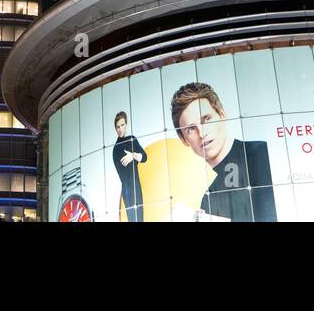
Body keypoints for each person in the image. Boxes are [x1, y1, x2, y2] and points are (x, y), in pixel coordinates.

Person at [170, 82, 277, 222]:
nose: (201, 133)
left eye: (206, 120)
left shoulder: (260, 153)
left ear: (222, 115)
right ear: (184, 140)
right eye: (191, 129)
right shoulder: (207, 197)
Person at [111, 111, 146, 222]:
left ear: (126, 124)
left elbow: (144, 157)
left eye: (122, 125)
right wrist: (135, 158)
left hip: (137, 185)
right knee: (133, 219)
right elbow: (125, 173)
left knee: (140, 218)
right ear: (115, 129)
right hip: (128, 188)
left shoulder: (132, 139)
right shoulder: (116, 149)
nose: (120, 129)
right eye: (118, 127)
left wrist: (133, 156)